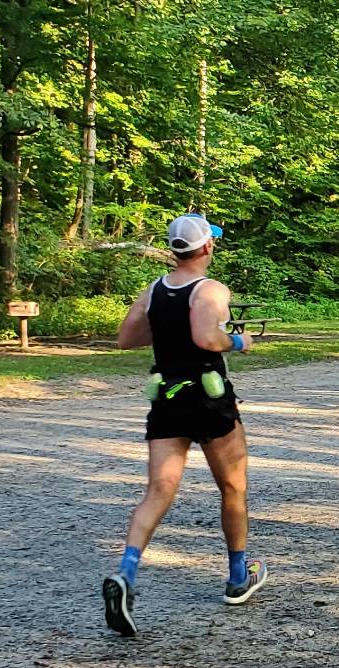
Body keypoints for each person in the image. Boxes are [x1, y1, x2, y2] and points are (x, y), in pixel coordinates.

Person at [104, 214, 268, 637]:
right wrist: (239, 341)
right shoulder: (211, 289)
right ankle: (237, 576)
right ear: (207, 248)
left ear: (174, 249)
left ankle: (126, 572)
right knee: (233, 487)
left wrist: (166, 333)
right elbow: (205, 338)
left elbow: (126, 338)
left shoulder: (155, 289)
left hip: (166, 397)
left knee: (159, 490)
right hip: (209, 398)